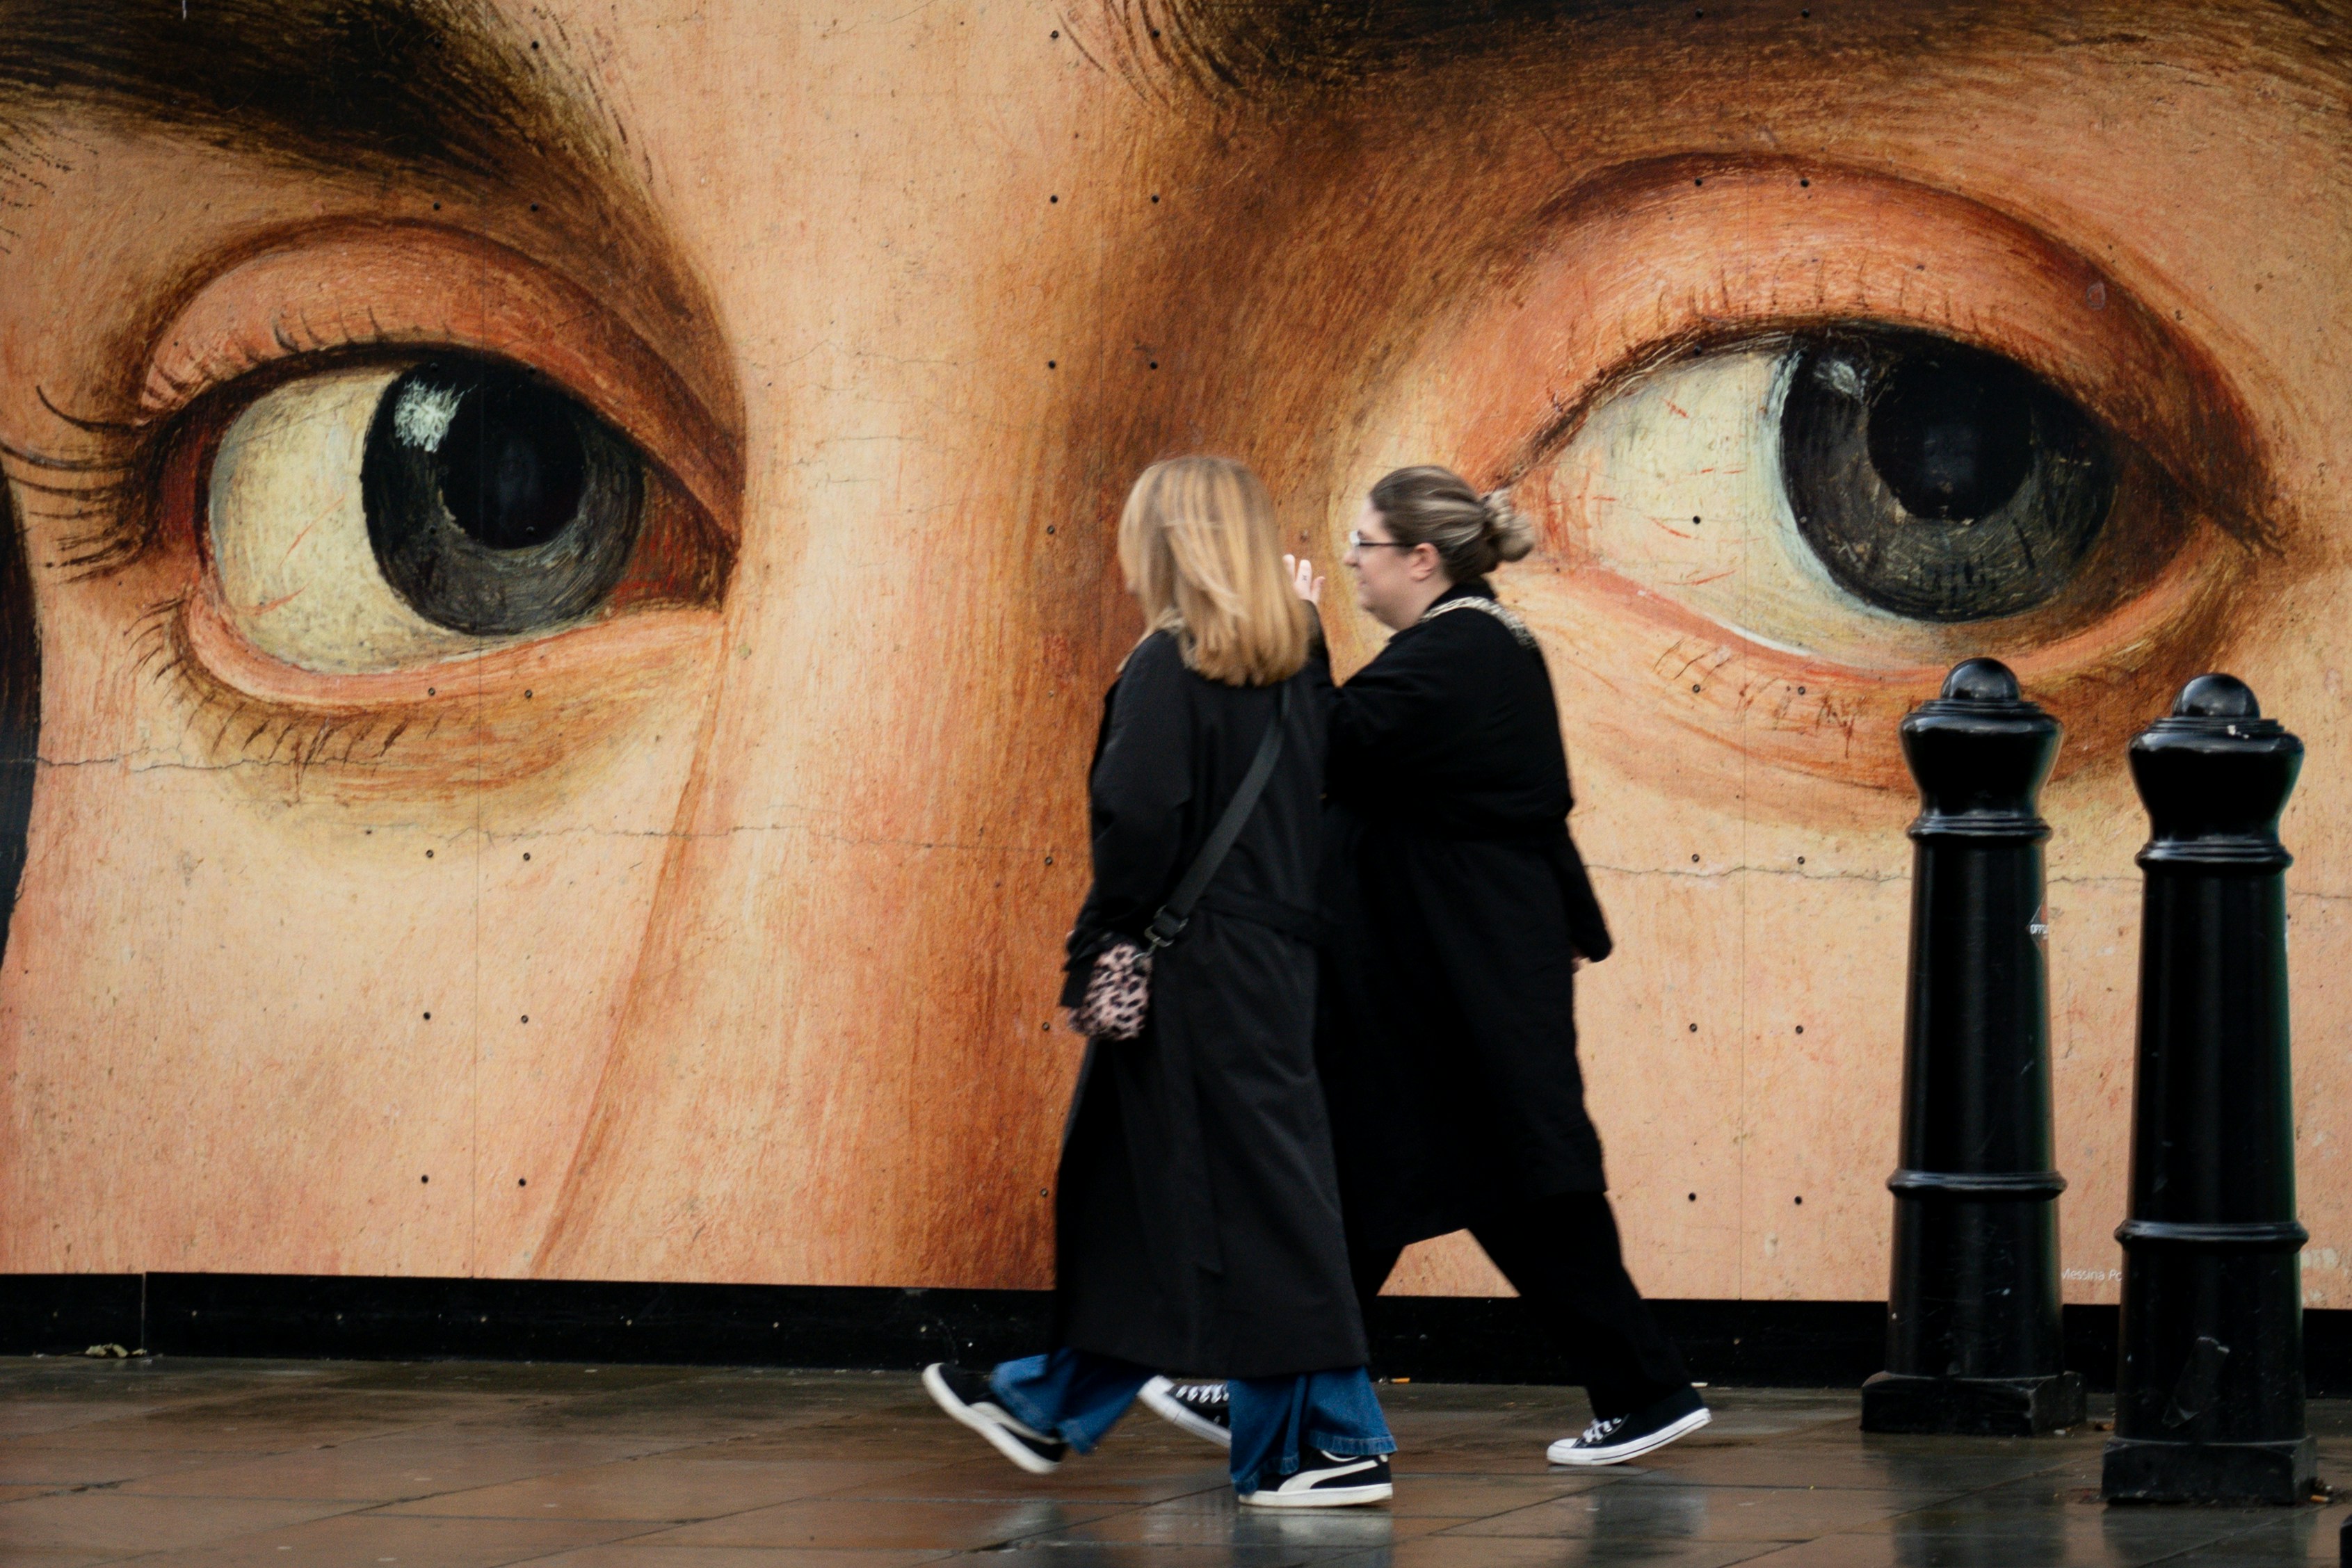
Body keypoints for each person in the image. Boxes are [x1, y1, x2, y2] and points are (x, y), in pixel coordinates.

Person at [922, 455, 1395, 1508]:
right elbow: (1323, 779)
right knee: (1153, 1193)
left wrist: (1108, 940)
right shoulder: (1293, 658)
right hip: (1272, 963)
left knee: (1255, 1205)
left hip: (1190, 967)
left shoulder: (1169, 663)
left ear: (1169, 545)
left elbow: (1136, 821)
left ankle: (1328, 1443)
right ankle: (1049, 1403)